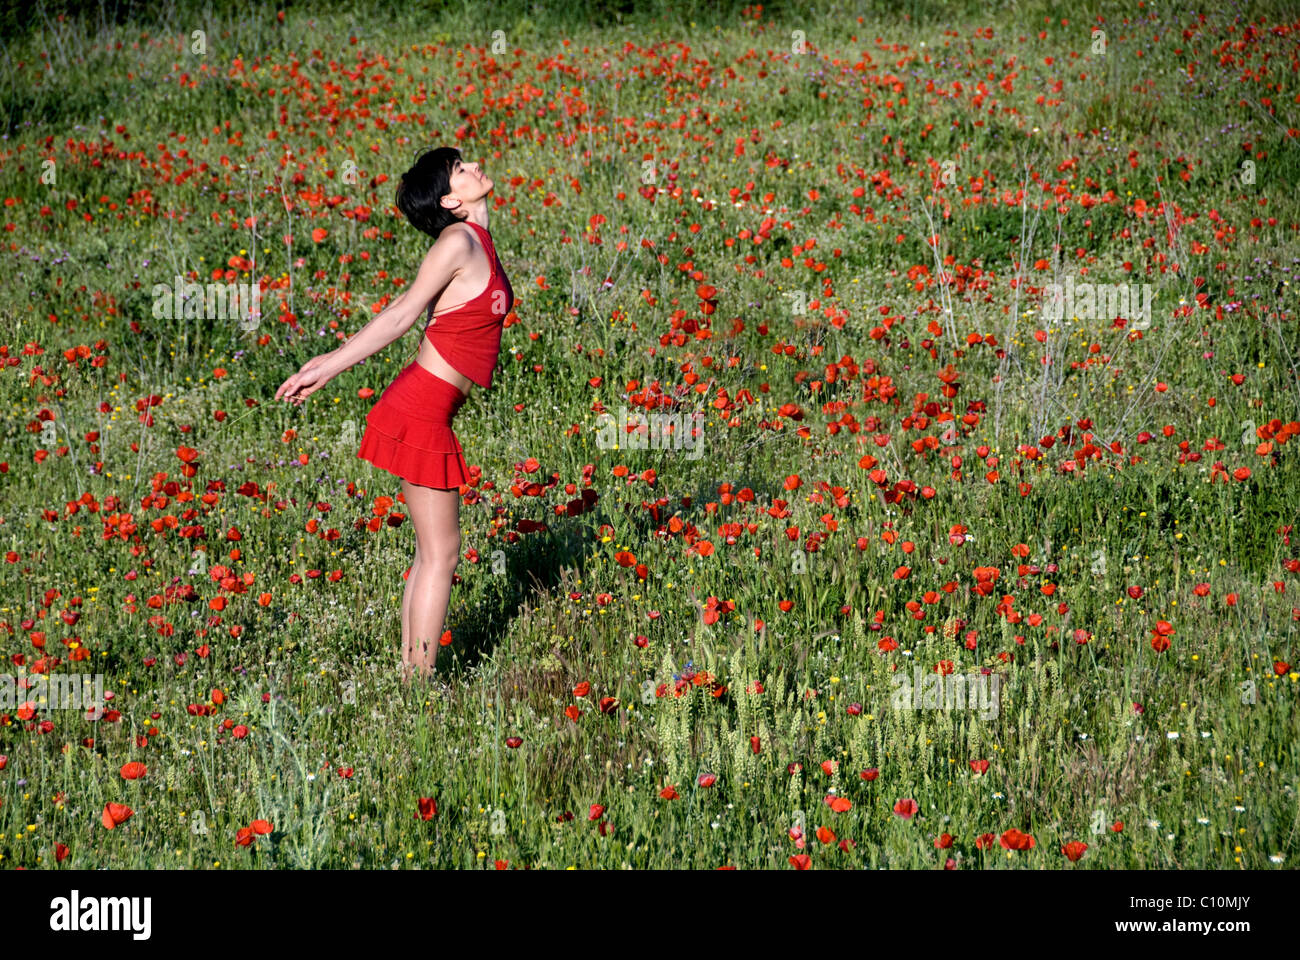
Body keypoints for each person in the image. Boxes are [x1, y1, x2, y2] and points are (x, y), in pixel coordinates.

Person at [274, 146, 514, 685]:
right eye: (459, 168)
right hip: (422, 409)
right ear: (451, 199)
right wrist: (329, 366)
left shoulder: (477, 240)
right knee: (442, 556)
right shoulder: (458, 241)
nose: (473, 164)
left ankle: (410, 675)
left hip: (428, 405)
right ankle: (418, 686)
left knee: (433, 553)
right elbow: (403, 313)